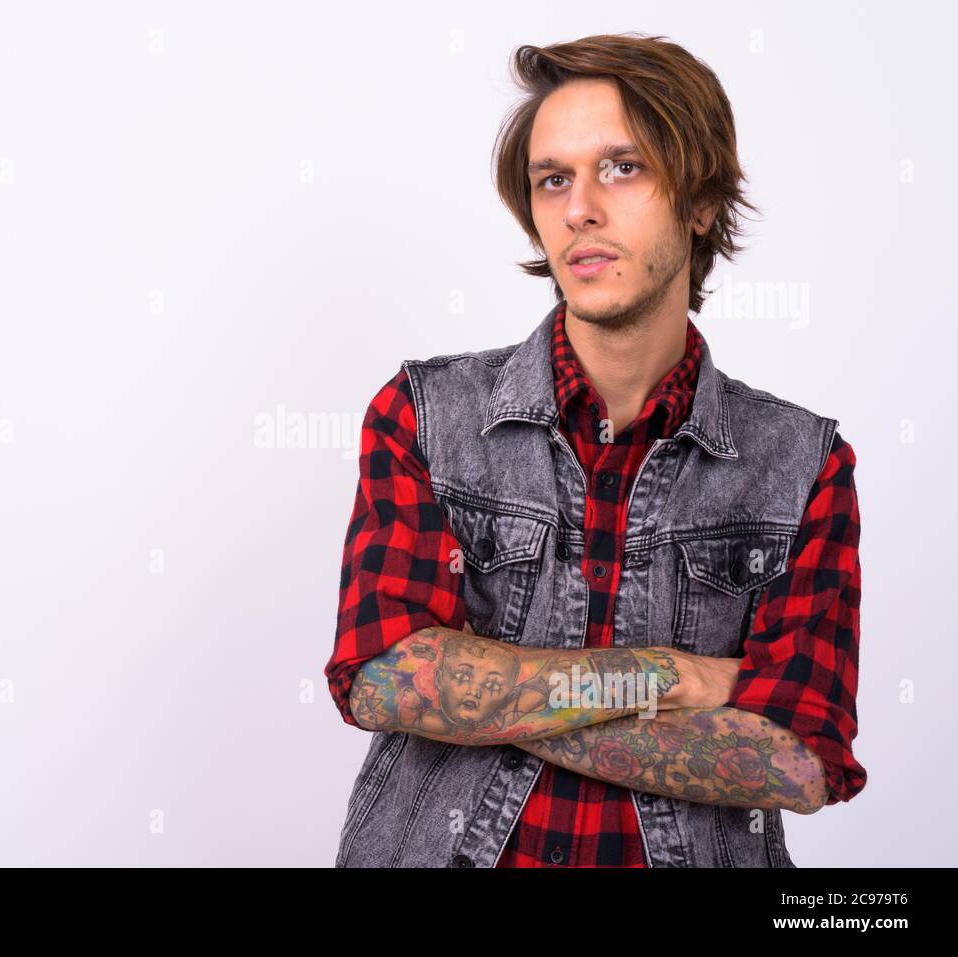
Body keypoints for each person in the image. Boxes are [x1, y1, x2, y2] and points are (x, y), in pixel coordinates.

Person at [325, 33, 865, 868]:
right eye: (554, 179)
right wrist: (672, 678)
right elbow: (384, 678)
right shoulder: (425, 417)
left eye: (623, 168)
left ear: (700, 203)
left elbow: (799, 759)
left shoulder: (802, 465)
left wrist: (487, 699)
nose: (579, 208)